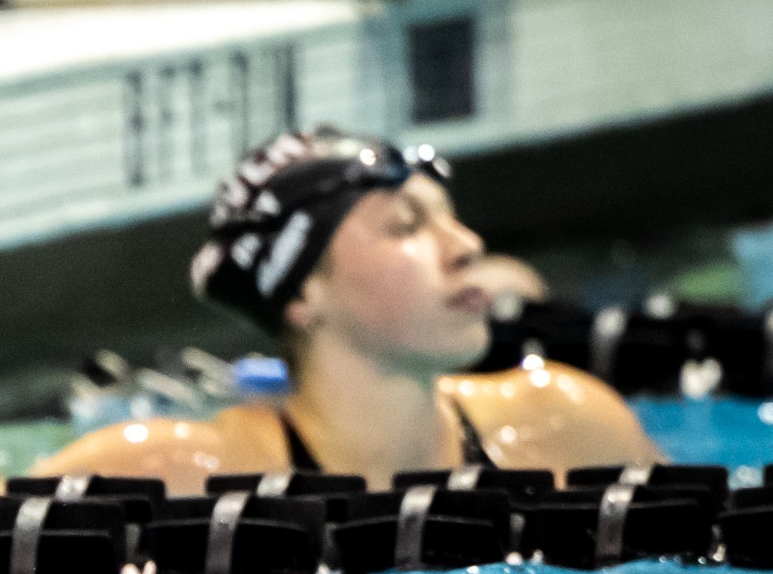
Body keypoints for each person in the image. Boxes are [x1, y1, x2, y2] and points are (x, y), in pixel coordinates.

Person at [33, 127, 661, 493]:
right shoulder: (180, 473)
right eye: (406, 226)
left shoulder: (570, 425)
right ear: (304, 293)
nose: (466, 245)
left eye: (453, 219)